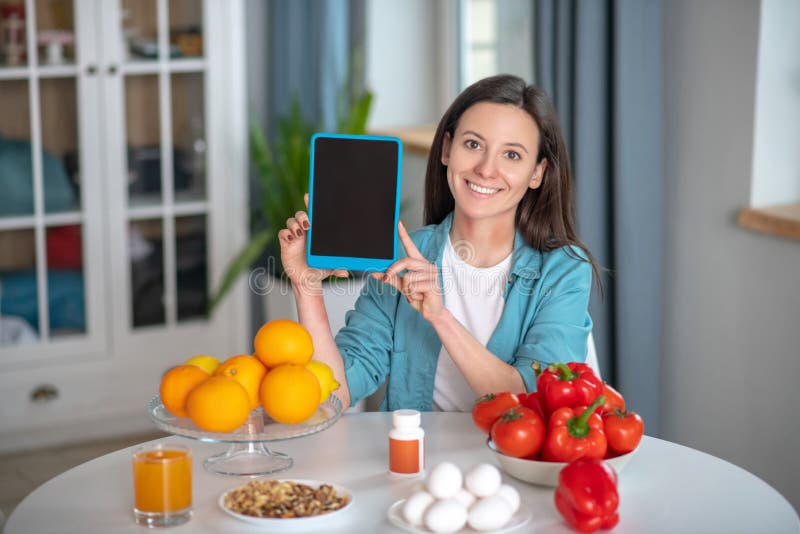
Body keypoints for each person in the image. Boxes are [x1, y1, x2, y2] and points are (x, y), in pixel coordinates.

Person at [278, 74, 600, 412]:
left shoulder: (563, 269)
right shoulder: (399, 259)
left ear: (538, 172)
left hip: (509, 464)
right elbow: (335, 397)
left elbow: (534, 407)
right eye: (473, 144)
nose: (487, 169)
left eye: (512, 155)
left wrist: (440, 316)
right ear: (447, 149)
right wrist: (307, 286)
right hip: (413, 461)